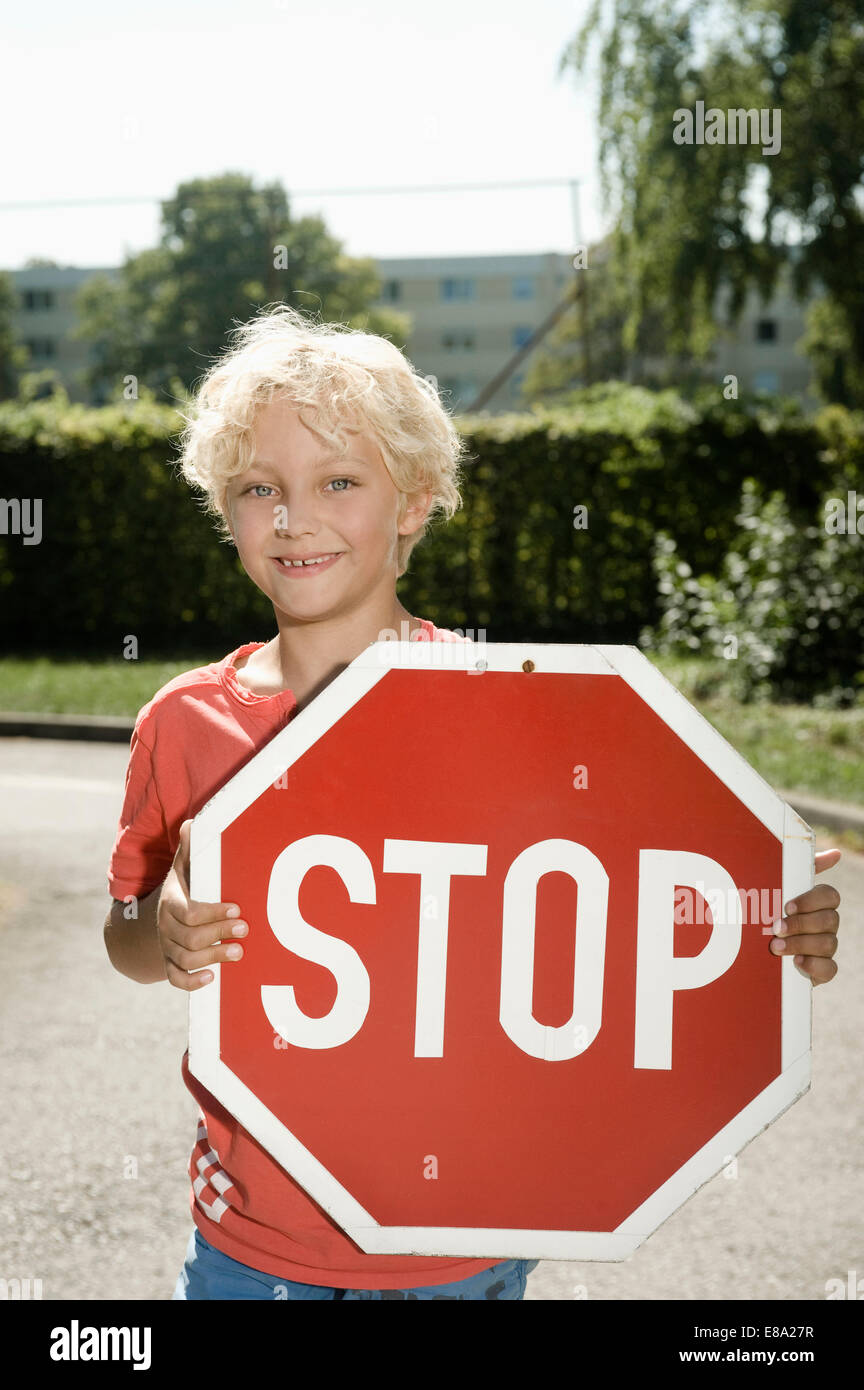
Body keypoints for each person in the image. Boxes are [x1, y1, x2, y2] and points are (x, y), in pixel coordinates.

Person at [103, 304, 842, 1301]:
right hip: (257, 1254)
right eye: (257, 488)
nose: (294, 516)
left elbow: (609, 905)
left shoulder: (513, 704)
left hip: (469, 1253)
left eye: (339, 481)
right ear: (224, 508)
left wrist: (766, 918)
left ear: (414, 500)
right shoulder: (187, 721)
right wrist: (165, 928)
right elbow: (126, 929)